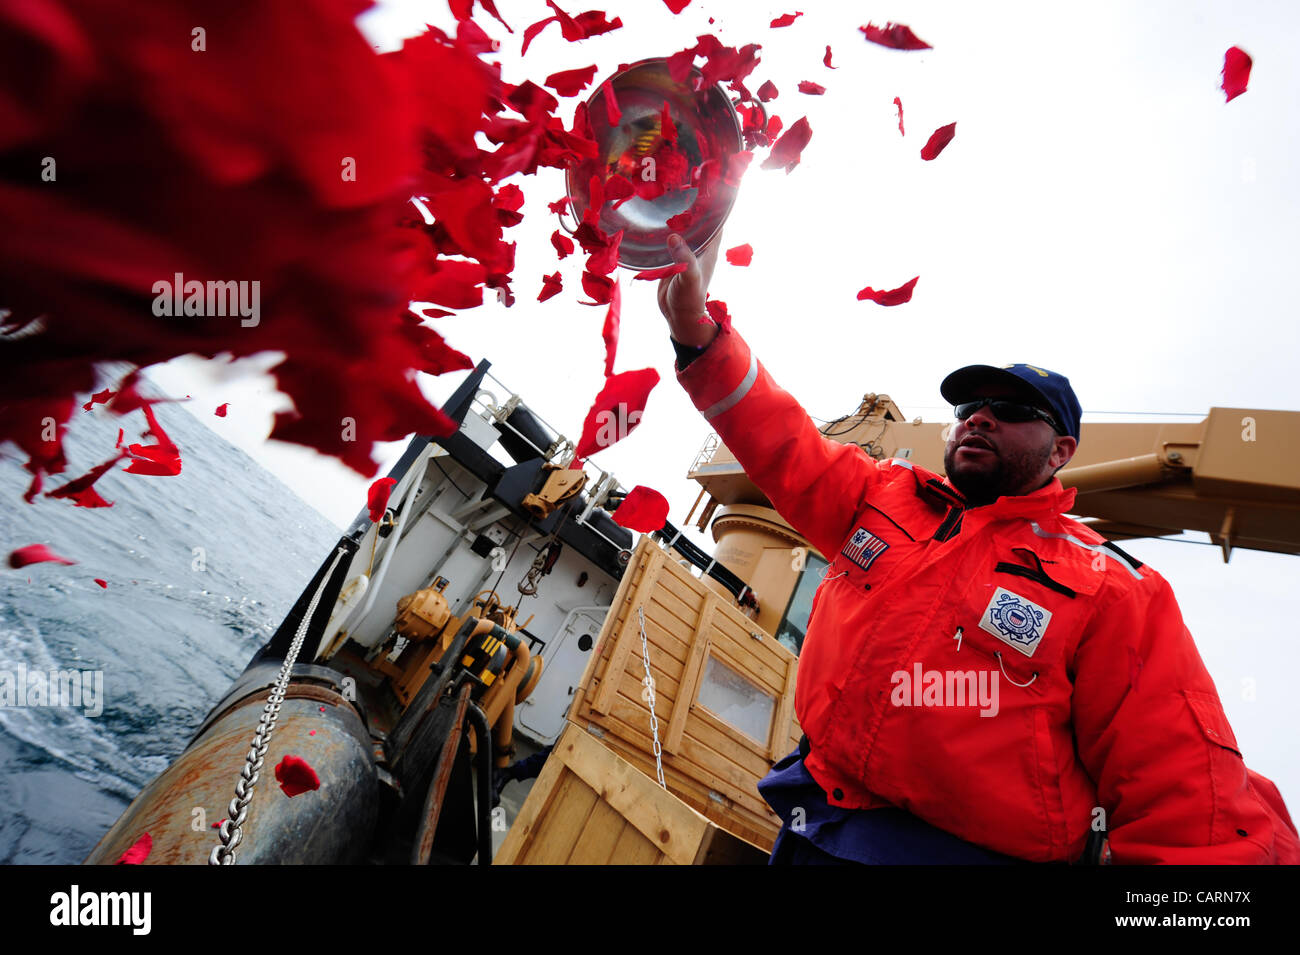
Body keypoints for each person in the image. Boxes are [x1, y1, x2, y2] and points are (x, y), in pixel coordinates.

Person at [655, 232, 1300, 864]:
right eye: (970, 403)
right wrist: (697, 334)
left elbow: (1183, 794)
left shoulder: (1113, 587)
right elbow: (782, 441)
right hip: (814, 821)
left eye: (1013, 410)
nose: (980, 416)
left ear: (1062, 452)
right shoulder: (883, 496)